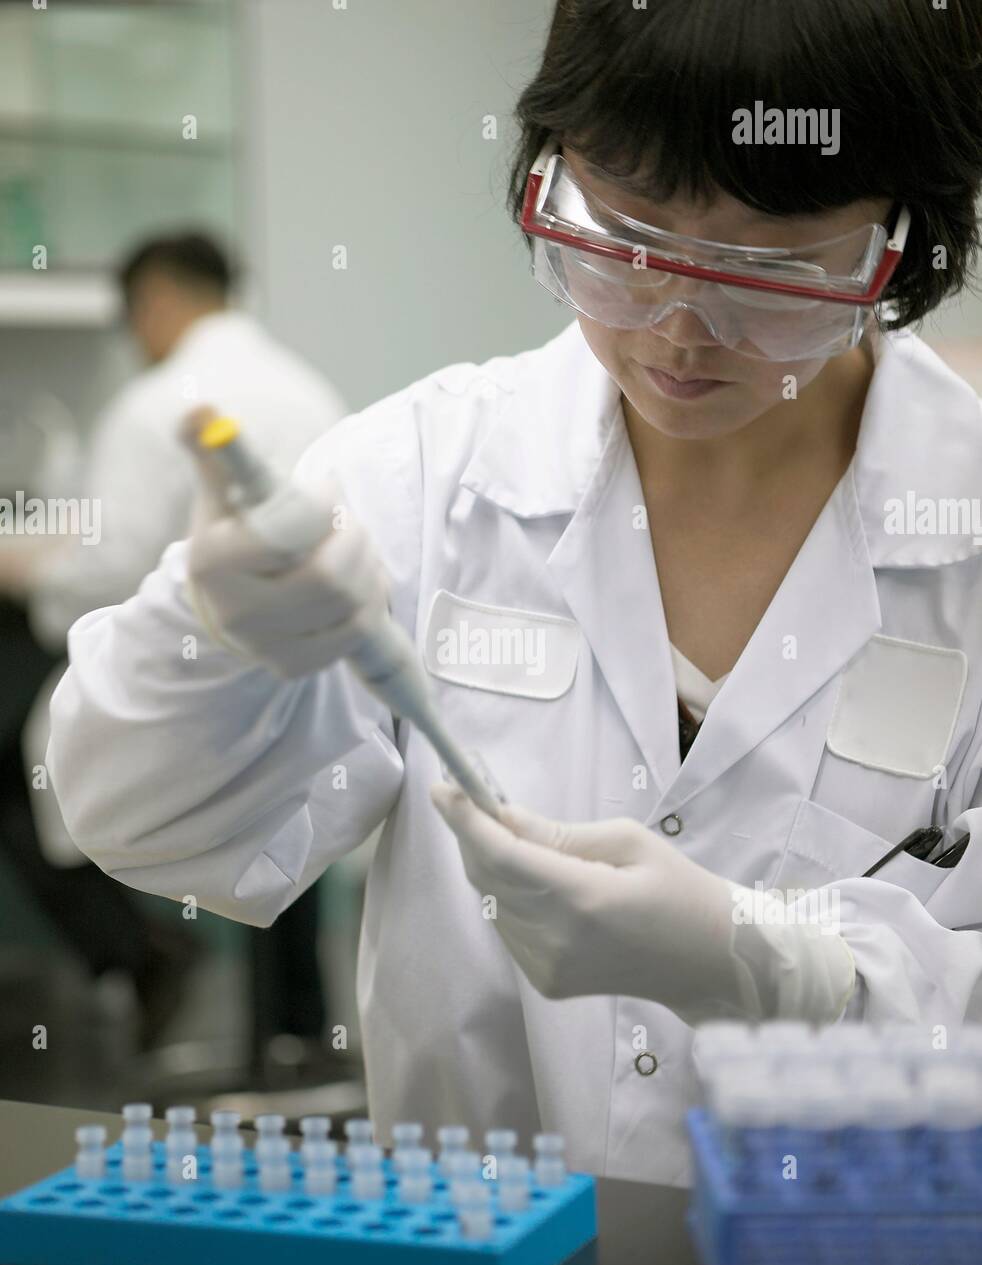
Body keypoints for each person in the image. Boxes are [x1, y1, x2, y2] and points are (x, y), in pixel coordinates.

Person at [47, 1, 982, 1183]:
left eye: (768, 271)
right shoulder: (418, 475)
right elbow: (136, 823)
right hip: (470, 1260)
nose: (679, 331)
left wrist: (787, 972)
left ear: (903, 242)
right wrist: (209, 635)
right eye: (620, 239)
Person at [2, 232, 346, 1051]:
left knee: (26, 757)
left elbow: (105, 572)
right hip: (319, 682)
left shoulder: (152, 404)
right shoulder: (311, 392)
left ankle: (146, 954)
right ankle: (293, 1036)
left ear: (154, 302)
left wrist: (25, 568)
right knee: (290, 826)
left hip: (200, 692)